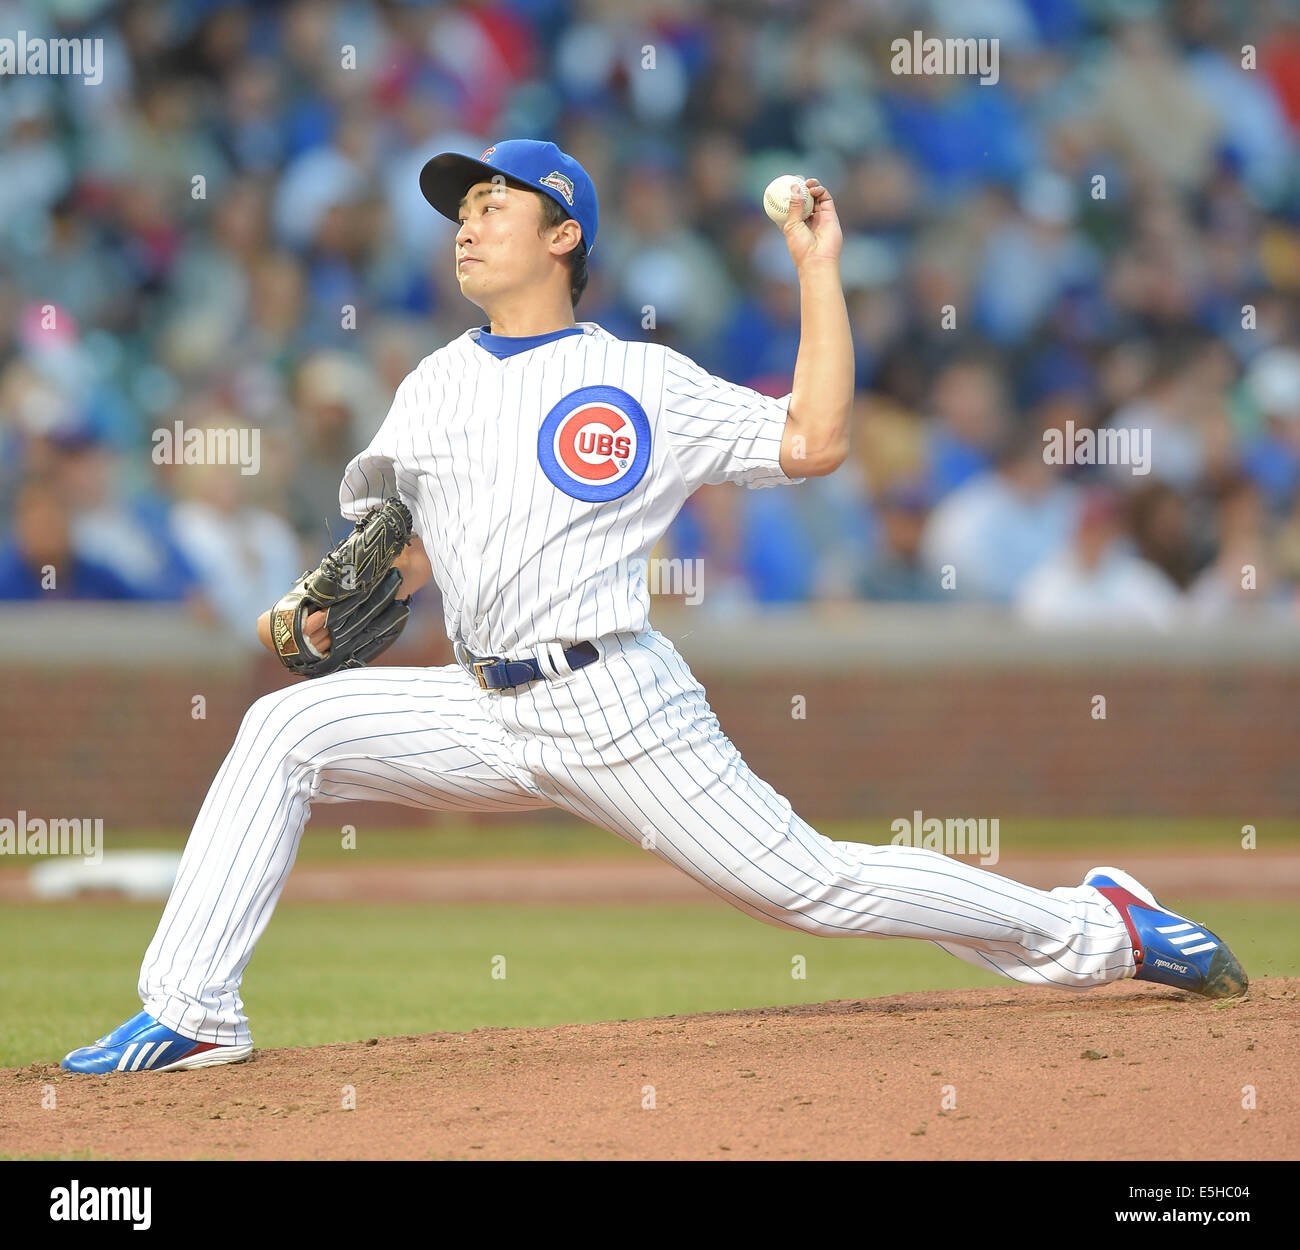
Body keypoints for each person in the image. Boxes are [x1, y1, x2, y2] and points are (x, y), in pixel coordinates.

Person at [61, 140, 1246, 1074]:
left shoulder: (638, 379)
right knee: (283, 730)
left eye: (494, 201)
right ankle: (193, 1009)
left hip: (617, 700)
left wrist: (816, 271)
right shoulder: (430, 383)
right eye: (459, 206)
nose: (467, 220)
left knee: (809, 887)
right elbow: (399, 550)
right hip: (479, 700)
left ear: (562, 232)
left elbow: (815, 438)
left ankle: (1097, 924)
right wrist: (337, 603)